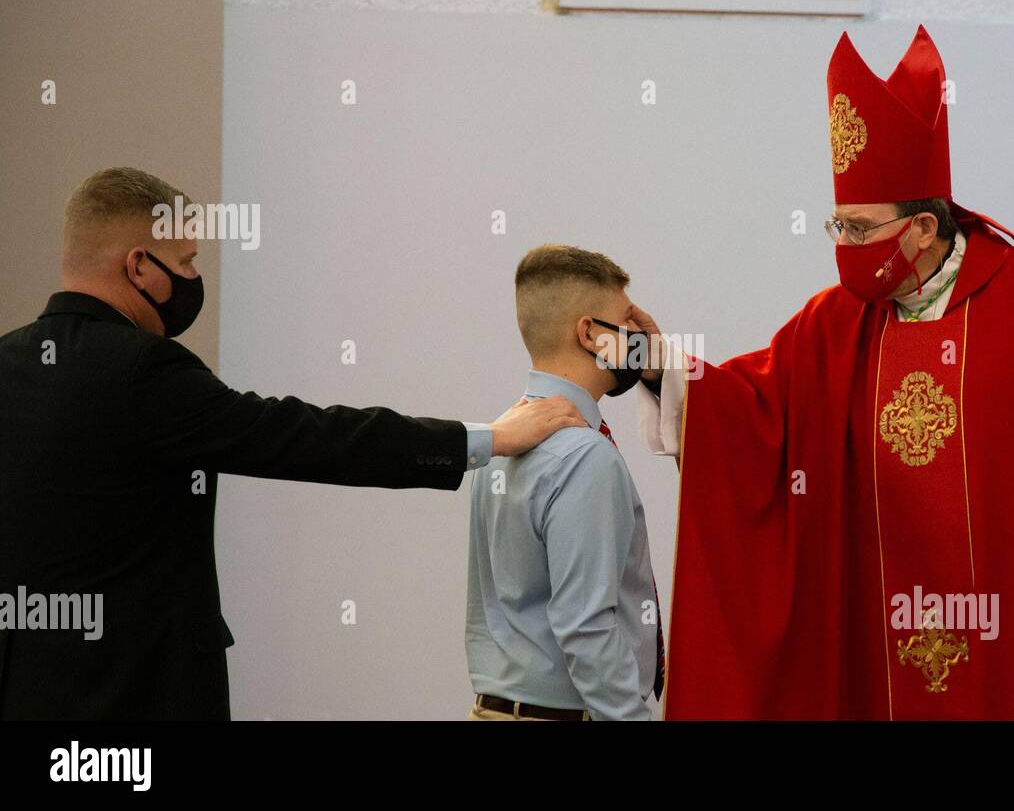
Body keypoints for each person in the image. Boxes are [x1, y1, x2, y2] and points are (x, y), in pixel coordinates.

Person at [633, 29, 1014, 720]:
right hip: (878, 633)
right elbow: (756, 412)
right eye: (838, 227)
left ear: (919, 228)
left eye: (857, 229)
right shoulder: (837, 322)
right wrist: (654, 365)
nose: (843, 247)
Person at [0, 167, 586, 720]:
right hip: (137, 699)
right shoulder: (143, 373)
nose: (193, 279)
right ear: (140, 268)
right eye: (186, 261)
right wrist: (485, 439)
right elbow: (305, 436)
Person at [465, 245, 661, 721]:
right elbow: (586, 628)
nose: (638, 335)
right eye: (626, 321)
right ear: (591, 333)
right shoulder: (585, 455)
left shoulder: (502, 435)